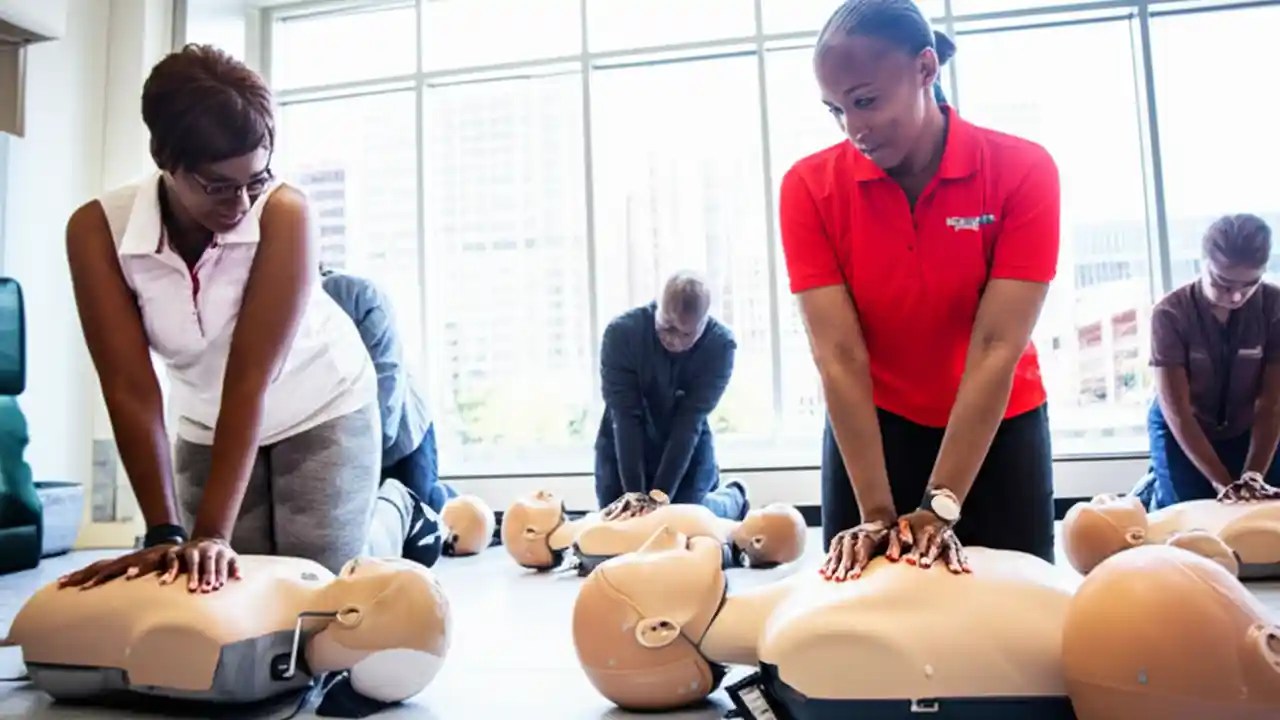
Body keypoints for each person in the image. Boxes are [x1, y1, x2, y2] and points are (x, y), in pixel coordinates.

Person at [58, 44, 439, 593]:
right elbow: (128, 386)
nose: (240, 204)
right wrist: (165, 533)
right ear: (167, 162)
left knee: (315, 590)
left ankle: (400, 512)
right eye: (218, 185)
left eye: (255, 180)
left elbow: (249, 378)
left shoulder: (285, 213)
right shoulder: (98, 231)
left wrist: (211, 531)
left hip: (320, 403)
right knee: (227, 586)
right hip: (207, 421)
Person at [778, 0, 1061, 581]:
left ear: (926, 68)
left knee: (1010, 627)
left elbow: (995, 346)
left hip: (998, 424)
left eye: (866, 101)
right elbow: (839, 355)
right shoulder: (808, 187)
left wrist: (940, 503)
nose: (853, 128)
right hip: (874, 428)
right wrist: (877, 513)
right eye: (836, 110)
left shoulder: (1022, 169)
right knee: (866, 623)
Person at [1145, 213, 1280, 510]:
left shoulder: (1274, 306)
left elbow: (1271, 403)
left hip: (1251, 422)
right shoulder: (1169, 313)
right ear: (1202, 263)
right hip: (1183, 422)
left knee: (1263, 509)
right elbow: (1177, 410)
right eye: (1223, 282)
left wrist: (1253, 476)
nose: (1235, 296)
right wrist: (1222, 482)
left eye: (1250, 284)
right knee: (1191, 513)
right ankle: (1154, 490)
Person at [594, 271, 748, 522]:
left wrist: (660, 495)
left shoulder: (720, 346)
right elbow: (624, 416)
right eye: (666, 327)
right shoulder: (621, 334)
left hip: (685, 448)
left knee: (681, 522)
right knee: (619, 526)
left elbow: (689, 421)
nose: (673, 340)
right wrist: (634, 494)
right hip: (623, 444)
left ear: (703, 323)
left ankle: (734, 498)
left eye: (685, 334)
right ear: (658, 307)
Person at [320, 267, 457, 513]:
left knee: (422, 517)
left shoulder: (359, 296)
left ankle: (459, 506)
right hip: (341, 436)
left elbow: (387, 392)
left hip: (401, 431)